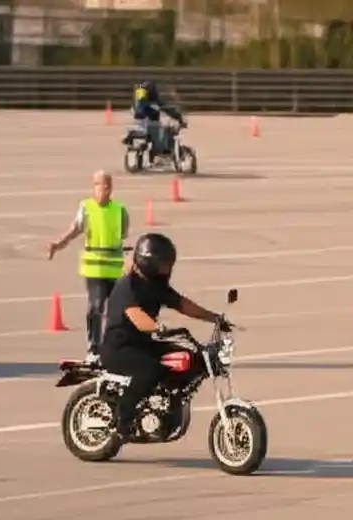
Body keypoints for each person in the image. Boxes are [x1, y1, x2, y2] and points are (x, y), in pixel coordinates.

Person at [100, 232, 230, 442]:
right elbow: (136, 316)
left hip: (142, 343)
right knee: (151, 370)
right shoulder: (128, 286)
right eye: (164, 264)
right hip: (119, 348)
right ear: (149, 263)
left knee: (191, 356)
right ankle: (122, 422)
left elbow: (182, 304)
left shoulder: (156, 285)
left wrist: (214, 318)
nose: (168, 269)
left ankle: (170, 401)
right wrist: (157, 327)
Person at [48, 170, 130, 365]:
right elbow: (75, 229)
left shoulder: (120, 211)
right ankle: (93, 348)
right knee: (96, 306)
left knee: (118, 311)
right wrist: (59, 244)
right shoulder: (86, 208)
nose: (105, 189)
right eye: (101, 184)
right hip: (94, 270)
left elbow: (122, 238)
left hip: (115, 269)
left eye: (108, 185)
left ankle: (113, 348)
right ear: (94, 186)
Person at [131, 80, 185, 160]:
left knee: (163, 130)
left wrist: (177, 114)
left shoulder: (149, 99)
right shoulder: (142, 98)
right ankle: (157, 154)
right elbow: (143, 107)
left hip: (150, 119)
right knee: (157, 133)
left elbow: (163, 106)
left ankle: (162, 152)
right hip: (144, 121)